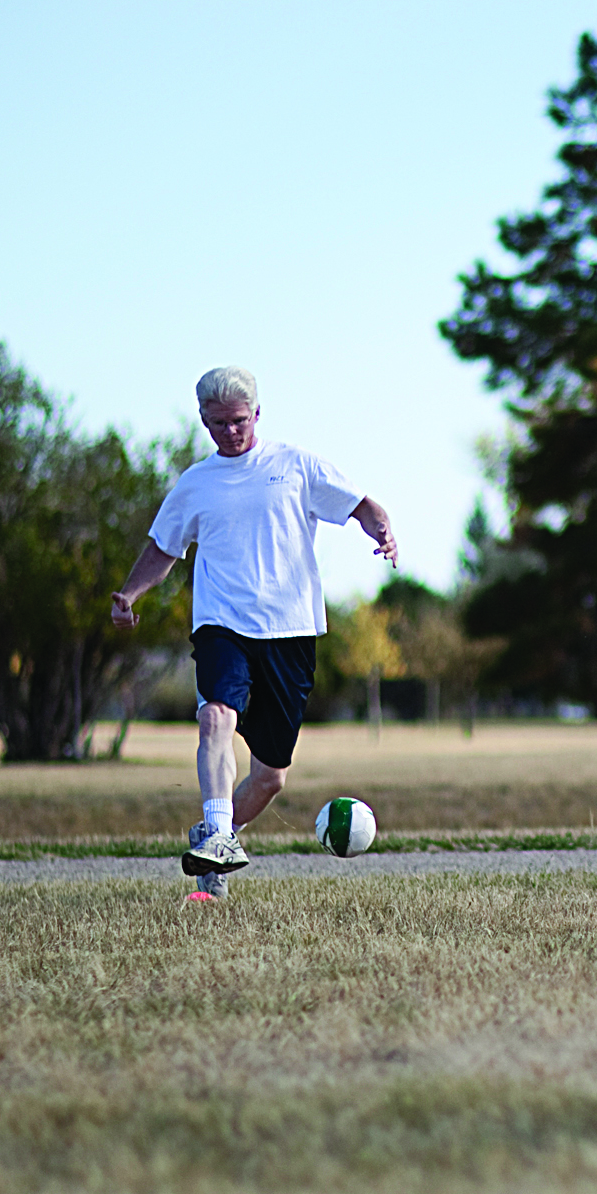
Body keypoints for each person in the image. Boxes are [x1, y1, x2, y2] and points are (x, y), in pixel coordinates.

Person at [111, 366, 397, 901]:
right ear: (203, 420)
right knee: (214, 714)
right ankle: (219, 833)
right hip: (223, 626)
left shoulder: (295, 466)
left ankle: (217, 845)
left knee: (270, 777)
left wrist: (381, 530)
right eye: (216, 423)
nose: (229, 432)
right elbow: (162, 548)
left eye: (238, 421)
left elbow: (358, 503)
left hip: (290, 633)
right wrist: (129, 594)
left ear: (257, 414)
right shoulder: (196, 483)